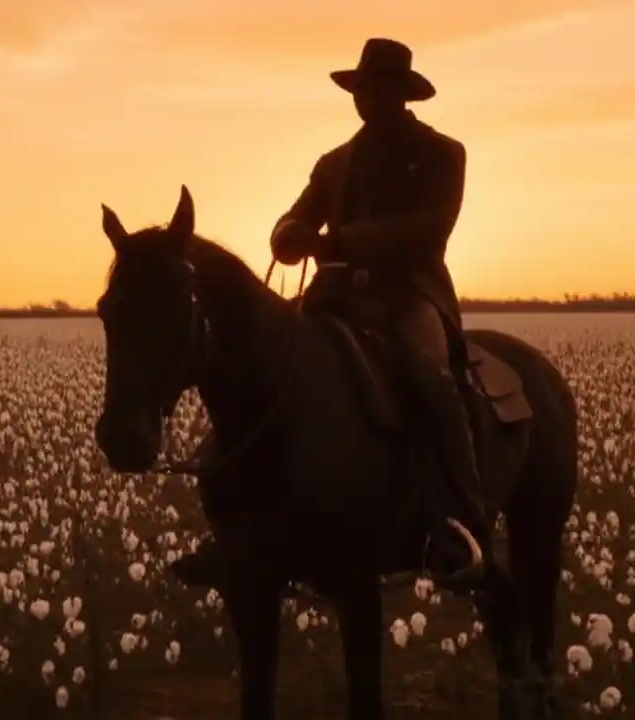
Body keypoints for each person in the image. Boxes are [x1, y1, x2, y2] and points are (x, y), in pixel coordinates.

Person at [170, 37, 489, 591]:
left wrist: (338, 239)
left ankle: (459, 521)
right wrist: (288, 235)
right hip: (335, 296)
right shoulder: (334, 163)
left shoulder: (443, 154)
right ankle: (234, 524)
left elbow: (428, 230)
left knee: (429, 378)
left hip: (410, 294)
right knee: (261, 369)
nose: (367, 98)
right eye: (361, 89)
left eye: (378, 87)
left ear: (401, 92)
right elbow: (293, 219)